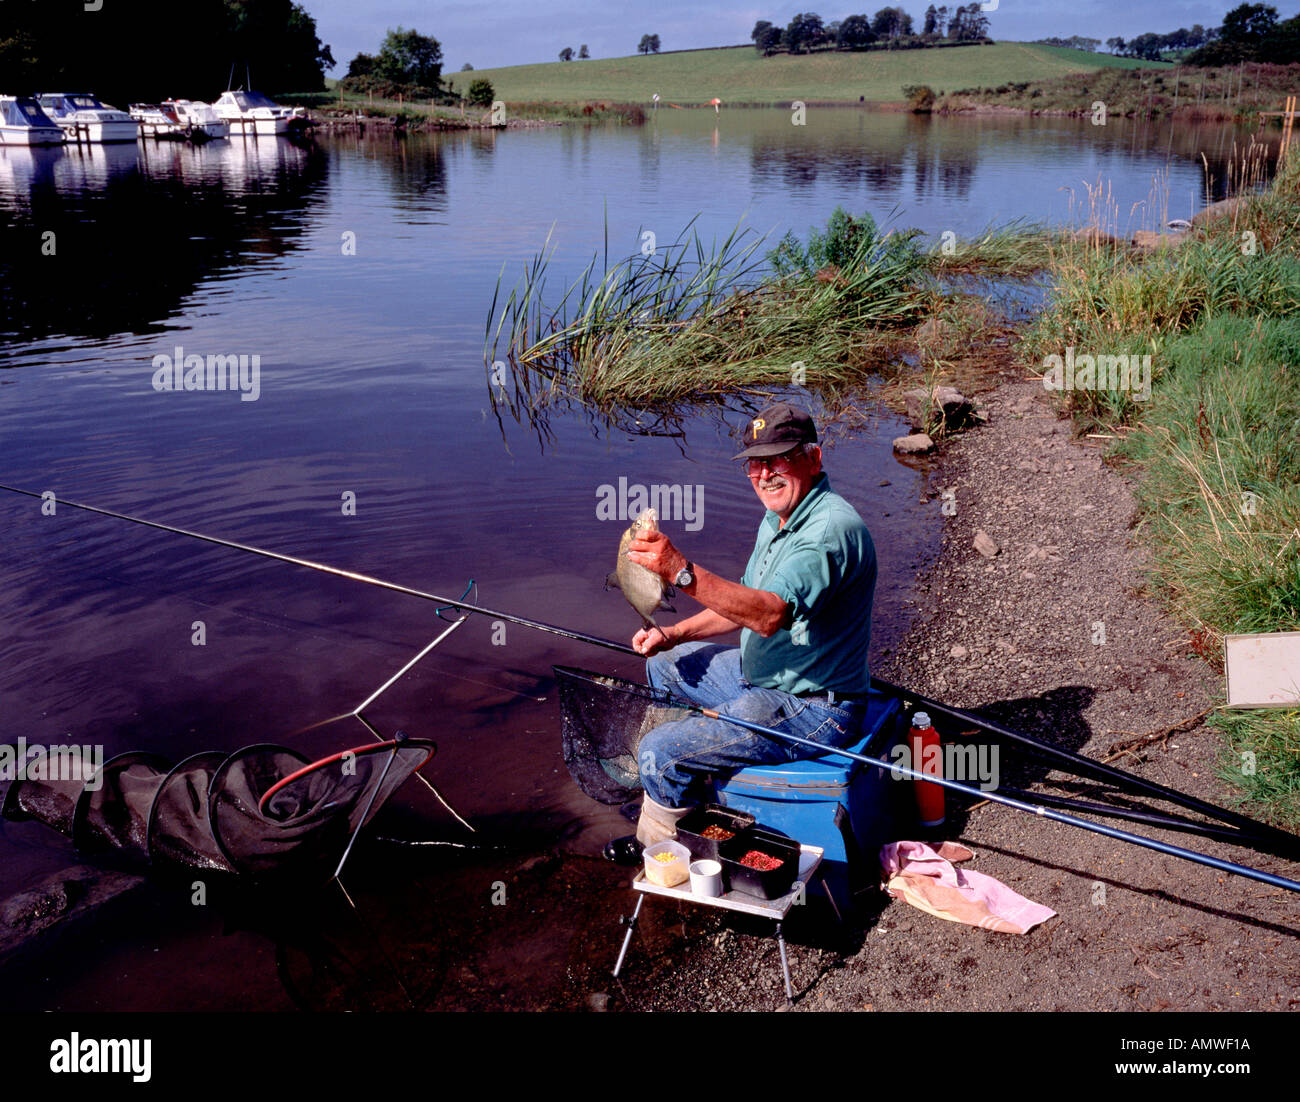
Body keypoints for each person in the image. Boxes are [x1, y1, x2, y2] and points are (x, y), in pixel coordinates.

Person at [605, 401, 877, 862]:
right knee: (667, 667)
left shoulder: (827, 532)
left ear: (813, 458)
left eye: (780, 458)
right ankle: (691, 786)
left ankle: (667, 849)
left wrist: (680, 571)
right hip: (764, 676)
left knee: (659, 748)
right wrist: (675, 633)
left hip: (814, 709)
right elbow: (746, 600)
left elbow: (768, 615)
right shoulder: (780, 517)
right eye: (756, 462)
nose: (766, 473)